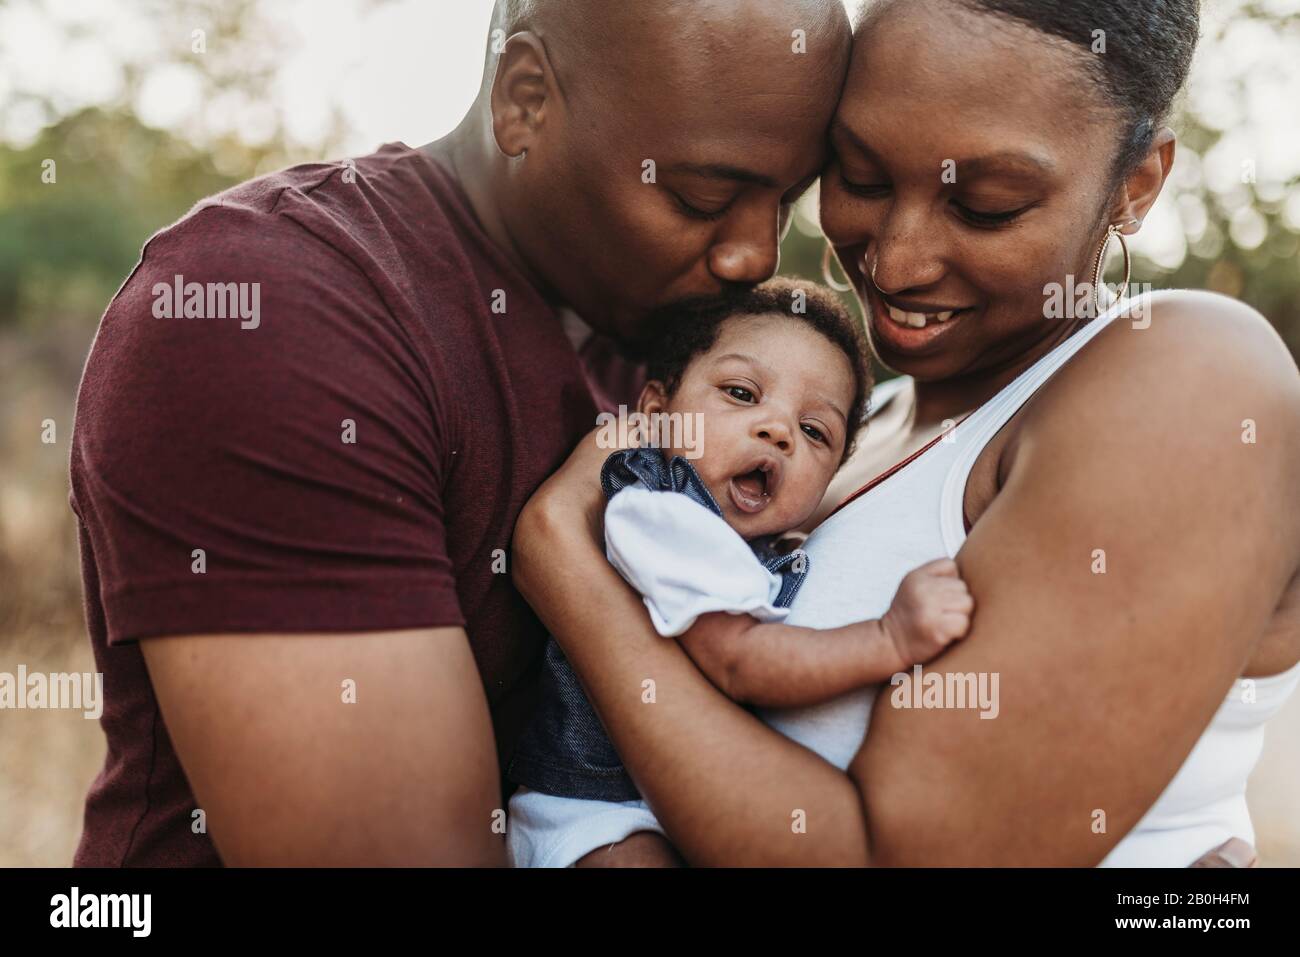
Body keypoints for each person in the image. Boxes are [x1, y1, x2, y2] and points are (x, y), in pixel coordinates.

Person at [511, 0, 1300, 866]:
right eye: (863, 176)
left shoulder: (1195, 375)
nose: (895, 261)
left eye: (988, 207)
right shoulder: (860, 421)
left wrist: (567, 568)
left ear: (1136, 185)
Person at [68, 0, 852, 866]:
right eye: (701, 194)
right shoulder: (272, 312)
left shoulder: (681, 354)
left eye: (783, 203)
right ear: (524, 99)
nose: (754, 255)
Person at [505, 280, 973, 867]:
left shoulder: (749, 545)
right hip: (595, 814)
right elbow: (739, 660)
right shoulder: (659, 515)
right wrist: (889, 639)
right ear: (656, 414)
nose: (777, 430)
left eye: (813, 431)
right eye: (741, 392)